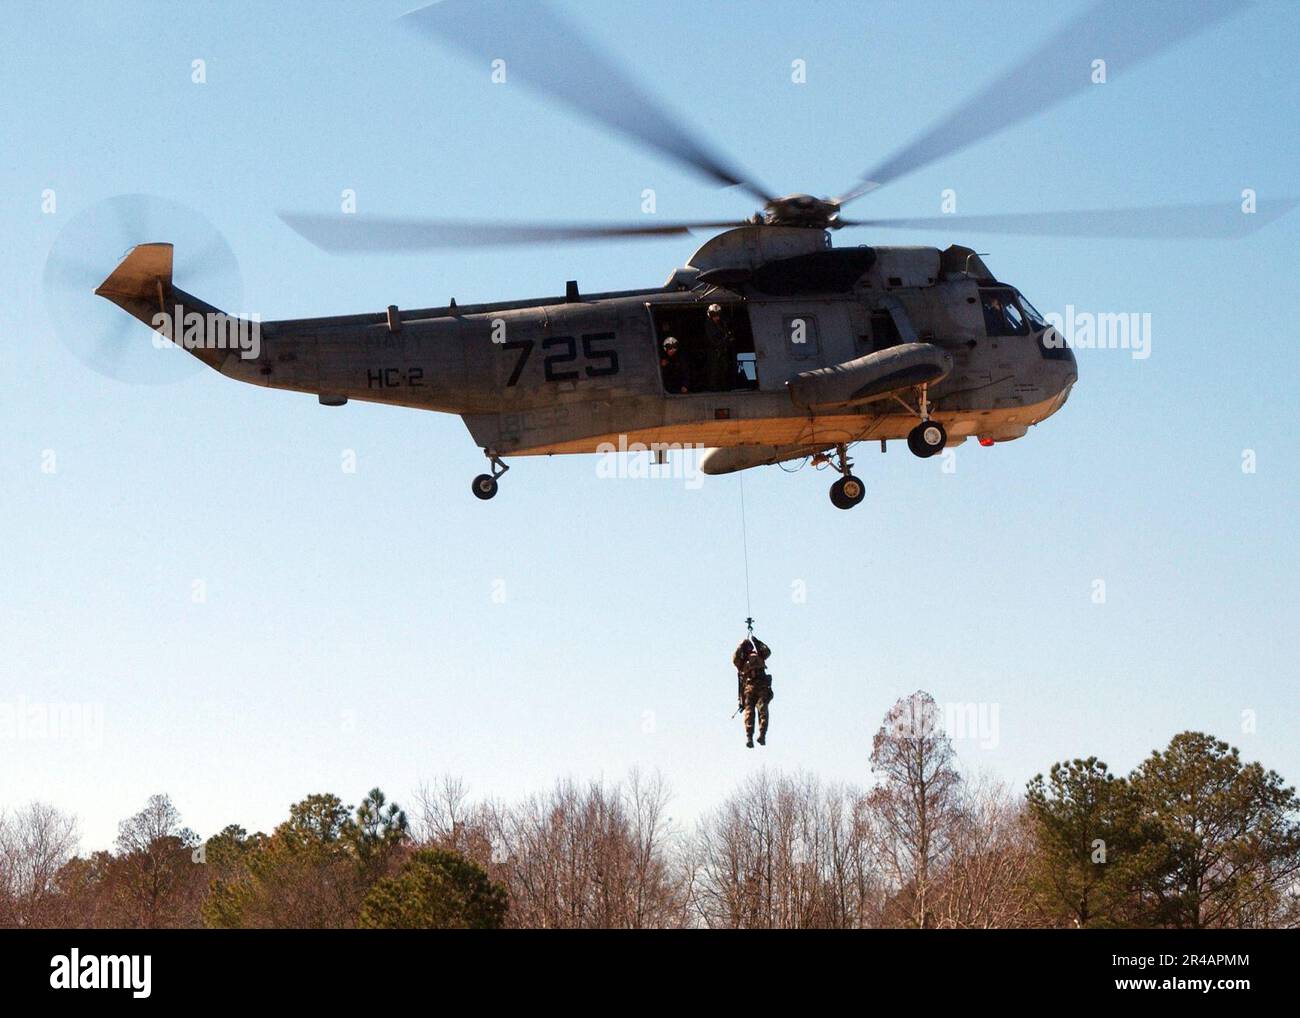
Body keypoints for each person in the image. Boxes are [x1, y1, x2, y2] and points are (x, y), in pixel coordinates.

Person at [733, 635, 773, 748]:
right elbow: (735, 659)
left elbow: (767, 652)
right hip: (749, 689)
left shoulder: (760, 655)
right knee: (749, 714)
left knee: (762, 710)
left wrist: (756, 642)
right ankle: (749, 737)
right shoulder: (742, 661)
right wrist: (741, 645)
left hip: (761, 687)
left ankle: (762, 735)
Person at [704, 303, 736, 392]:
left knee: (725, 370)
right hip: (714, 352)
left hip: (723, 351)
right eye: (714, 315)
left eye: (718, 314)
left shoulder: (722, 324)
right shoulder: (709, 325)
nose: (716, 317)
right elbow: (713, 340)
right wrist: (724, 340)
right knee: (714, 371)